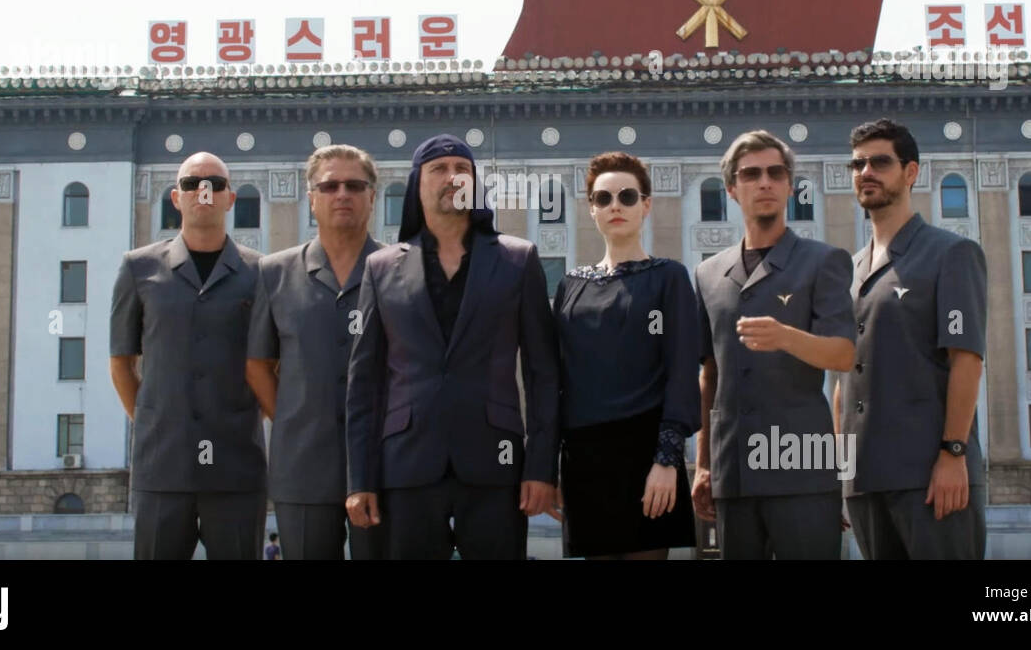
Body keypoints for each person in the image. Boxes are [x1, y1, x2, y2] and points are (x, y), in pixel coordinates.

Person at [345, 133, 562, 560]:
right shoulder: (381, 268)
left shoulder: (518, 260)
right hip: (406, 465)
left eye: (462, 169)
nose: (452, 177)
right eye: (439, 169)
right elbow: (364, 383)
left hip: (495, 464)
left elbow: (543, 373)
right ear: (416, 184)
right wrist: (360, 479)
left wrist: (541, 467)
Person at [691, 131, 856, 559]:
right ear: (732, 188)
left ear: (788, 185)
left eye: (775, 173)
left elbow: (843, 354)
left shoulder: (823, 260)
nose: (764, 182)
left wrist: (786, 337)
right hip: (734, 471)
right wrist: (705, 464)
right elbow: (710, 373)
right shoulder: (708, 274)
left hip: (800, 465)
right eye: (751, 174)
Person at [836, 118, 988, 559]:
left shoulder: (950, 253)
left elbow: (967, 360)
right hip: (866, 480)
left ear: (911, 172)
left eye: (880, 162)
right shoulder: (850, 271)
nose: (866, 172)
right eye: (858, 164)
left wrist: (953, 454)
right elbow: (845, 379)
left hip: (931, 478)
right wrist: (841, 469)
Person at [110, 151, 266, 560]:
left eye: (215, 184)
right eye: (192, 183)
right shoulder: (138, 269)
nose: (204, 192)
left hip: (236, 466)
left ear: (230, 198)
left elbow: (272, 363)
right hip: (163, 466)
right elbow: (122, 362)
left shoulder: (260, 272)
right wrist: (153, 419)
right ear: (175, 198)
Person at [551, 151, 700, 559]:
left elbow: (683, 368)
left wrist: (667, 462)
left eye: (627, 196)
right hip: (583, 458)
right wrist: (551, 468)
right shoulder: (570, 286)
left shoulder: (669, 277)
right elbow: (555, 381)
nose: (615, 205)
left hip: (647, 456)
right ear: (592, 210)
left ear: (646, 205)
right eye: (603, 198)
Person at [246, 144, 387, 560]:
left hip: (385, 465)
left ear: (372, 196)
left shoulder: (400, 268)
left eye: (354, 185)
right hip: (303, 467)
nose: (341, 194)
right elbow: (257, 365)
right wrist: (294, 417)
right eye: (329, 186)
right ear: (311, 198)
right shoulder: (274, 273)